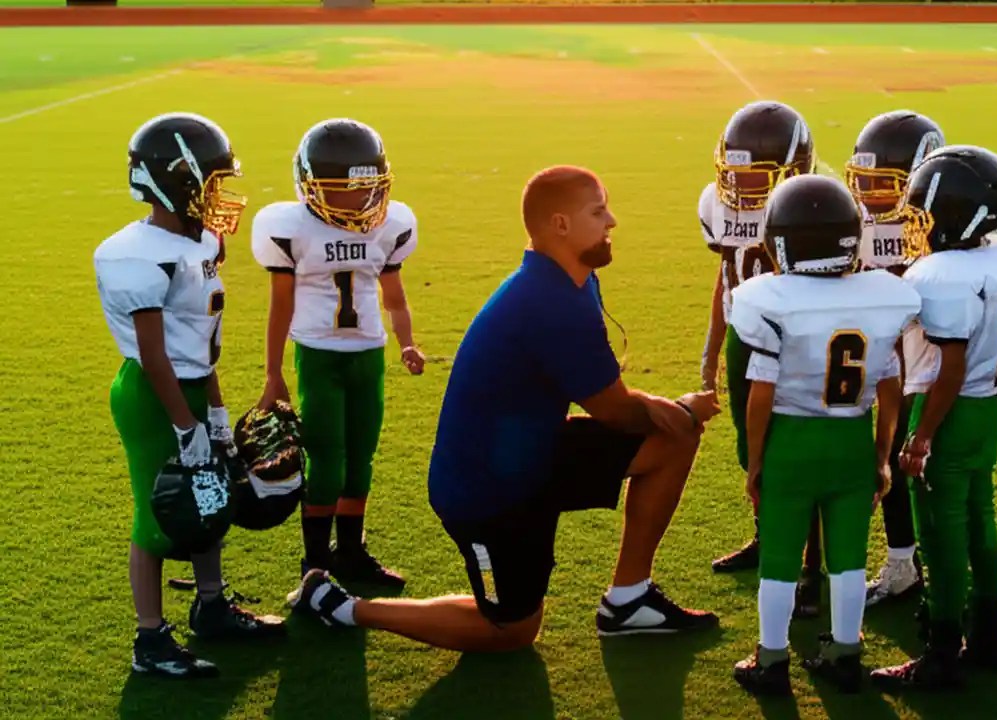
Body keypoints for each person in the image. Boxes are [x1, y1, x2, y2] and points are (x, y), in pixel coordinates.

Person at [289, 165, 720, 651]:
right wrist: (681, 406)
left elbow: (611, 403)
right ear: (561, 225)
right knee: (512, 630)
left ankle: (628, 599)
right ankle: (341, 607)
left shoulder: (571, 278)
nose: (612, 221)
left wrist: (673, 416)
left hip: (532, 452)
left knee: (673, 437)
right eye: (598, 212)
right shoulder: (549, 300)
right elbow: (615, 411)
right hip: (487, 491)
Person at [94, 112, 284, 679]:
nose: (221, 195)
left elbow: (201, 343)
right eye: (212, 182)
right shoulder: (136, 252)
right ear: (177, 182)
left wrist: (218, 417)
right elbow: (156, 356)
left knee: (211, 498)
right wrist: (186, 427)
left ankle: (211, 605)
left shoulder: (202, 240)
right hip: (155, 397)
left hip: (194, 385)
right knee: (159, 512)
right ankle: (149, 640)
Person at [729, 175, 920, 696]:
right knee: (850, 557)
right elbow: (889, 386)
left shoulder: (764, 298)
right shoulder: (884, 297)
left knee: (780, 559)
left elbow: (761, 394)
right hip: (851, 441)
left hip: (793, 440)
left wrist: (757, 460)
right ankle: (845, 649)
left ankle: (771, 659)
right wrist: (881, 453)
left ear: (782, 242)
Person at [869, 145, 997, 691]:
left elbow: (951, 365)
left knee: (941, 531)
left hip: (948, 406)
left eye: (924, 212)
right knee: (980, 519)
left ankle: (942, 651)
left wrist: (920, 434)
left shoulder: (941, 274)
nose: (915, 224)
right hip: (989, 408)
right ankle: (990, 637)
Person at [251, 118, 423, 590]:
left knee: (361, 456)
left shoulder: (390, 225)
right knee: (326, 459)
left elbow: (396, 297)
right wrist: (273, 372)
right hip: (319, 355)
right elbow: (280, 305)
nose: (357, 201)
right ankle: (314, 562)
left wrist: (406, 341)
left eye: (366, 189)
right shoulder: (291, 228)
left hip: (368, 353)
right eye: (339, 190)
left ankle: (350, 551)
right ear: (308, 186)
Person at [700, 100, 825, 617]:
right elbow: (725, 274)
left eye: (755, 177)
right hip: (742, 335)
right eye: (735, 173)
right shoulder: (717, 201)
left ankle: (812, 567)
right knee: (749, 446)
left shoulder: (817, 204)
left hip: (796, 339)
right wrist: (711, 348)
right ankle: (769, 537)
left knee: (800, 452)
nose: (739, 186)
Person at [843, 109, 945, 607]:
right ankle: (904, 563)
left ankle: (936, 573)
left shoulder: (941, 226)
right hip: (877, 363)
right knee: (884, 466)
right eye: (863, 182)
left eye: (884, 185)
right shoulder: (855, 221)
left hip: (926, 371)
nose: (868, 195)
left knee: (923, 476)